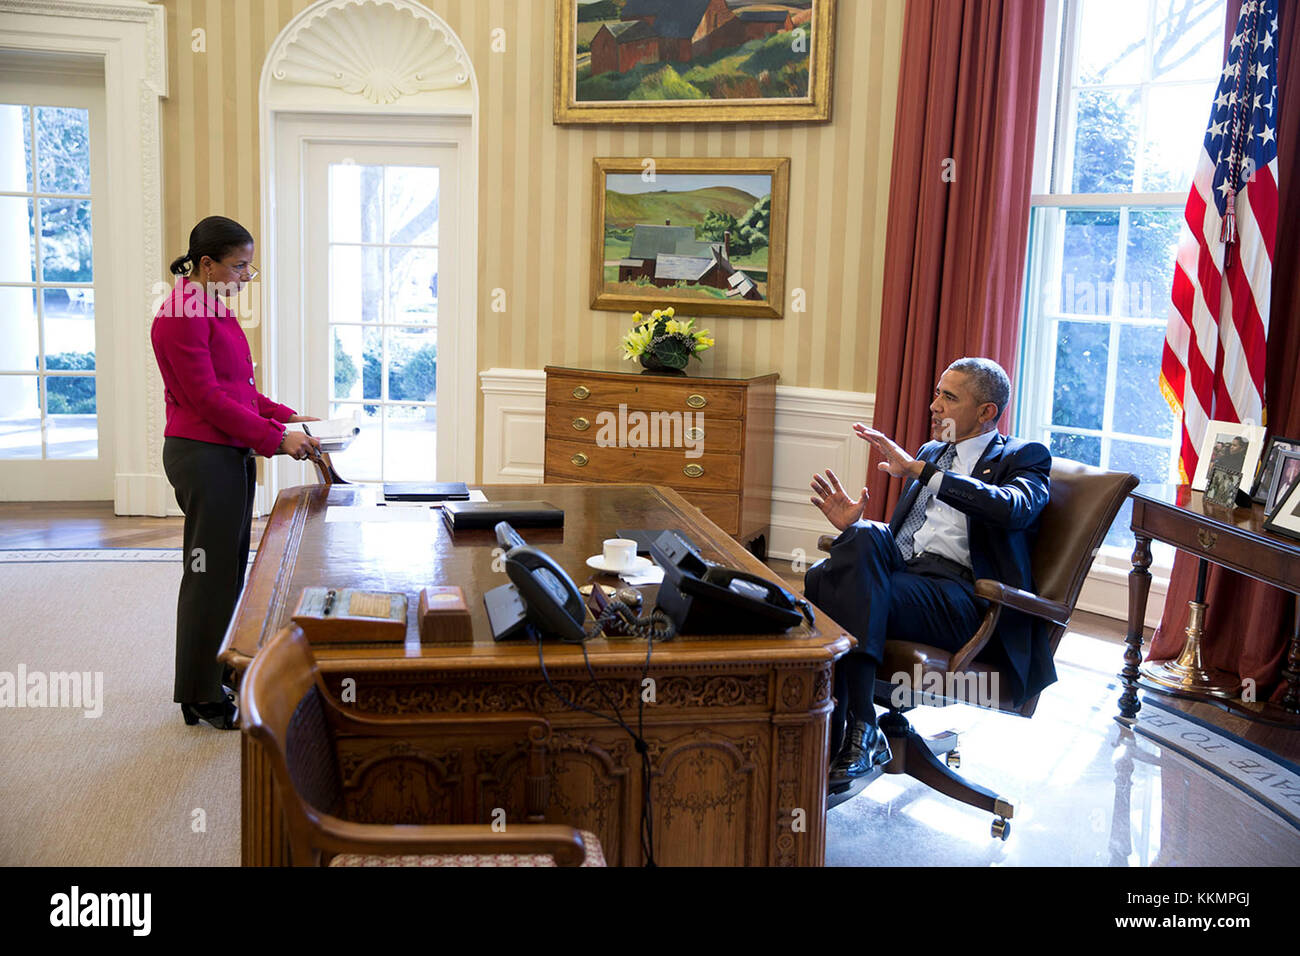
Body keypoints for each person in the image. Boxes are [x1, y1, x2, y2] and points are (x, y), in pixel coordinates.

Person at [803, 357, 1051, 790]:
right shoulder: (932, 452)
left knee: (829, 582)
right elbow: (906, 539)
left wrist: (922, 471)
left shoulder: (1023, 458)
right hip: (906, 576)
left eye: (949, 397)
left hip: (962, 597)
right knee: (855, 544)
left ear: (986, 412)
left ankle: (836, 726)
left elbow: (1011, 508)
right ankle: (860, 725)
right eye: (937, 392)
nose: (934, 405)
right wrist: (853, 526)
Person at [151, 216, 321, 730]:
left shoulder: (207, 305)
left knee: (228, 572)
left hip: (225, 451)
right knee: (209, 575)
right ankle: (199, 693)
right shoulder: (182, 313)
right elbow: (206, 398)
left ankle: (219, 671)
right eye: (239, 266)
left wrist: (286, 416)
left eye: (249, 265)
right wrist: (275, 439)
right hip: (202, 455)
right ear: (207, 264)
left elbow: (238, 389)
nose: (246, 275)